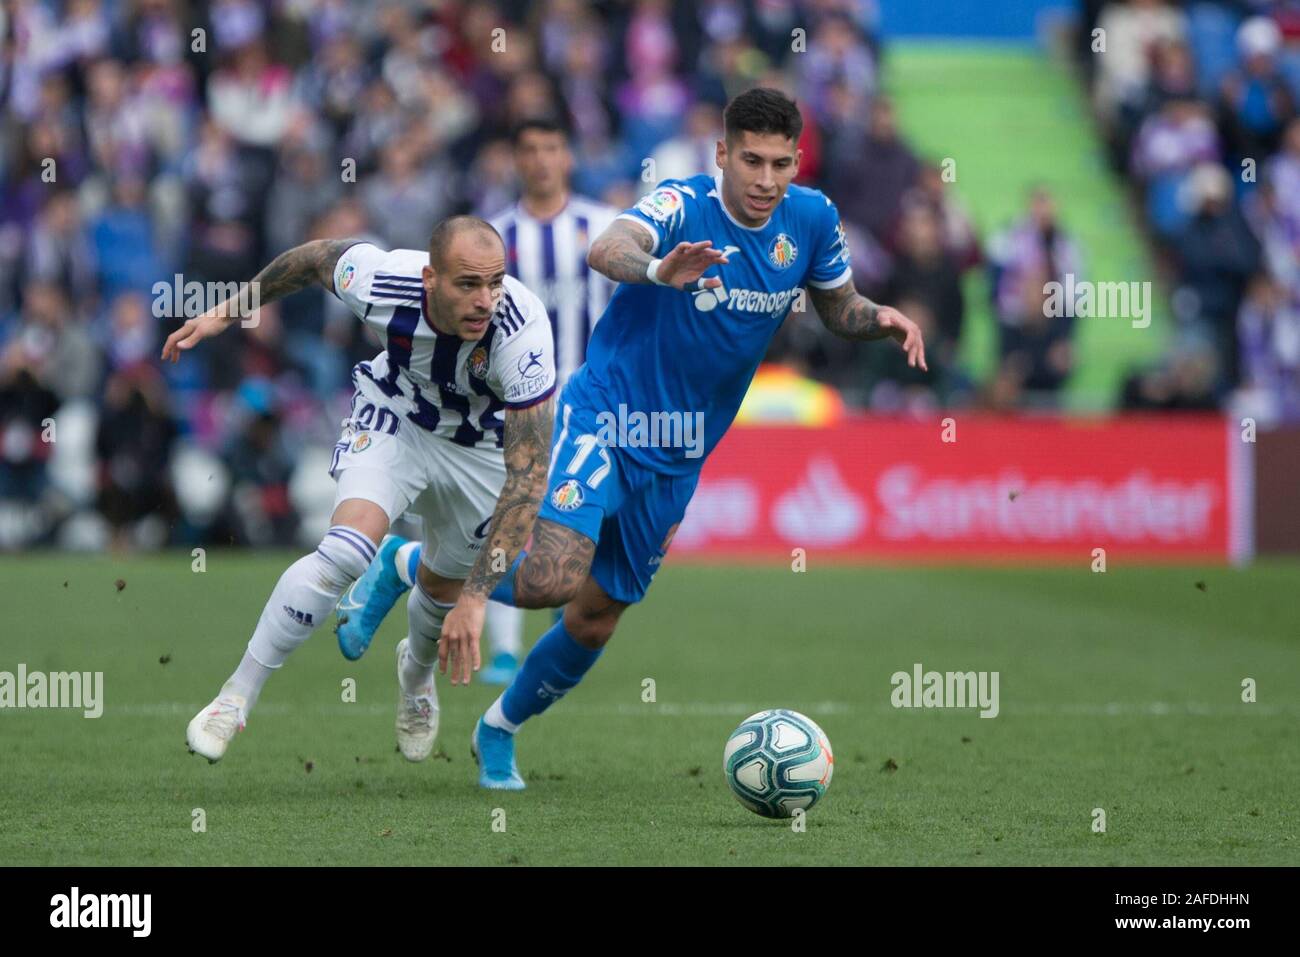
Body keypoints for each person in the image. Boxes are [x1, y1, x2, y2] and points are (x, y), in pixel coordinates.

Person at [460, 87, 926, 789]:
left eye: (779, 163)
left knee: (593, 620)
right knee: (551, 578)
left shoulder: (812, 218)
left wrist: (878, 316)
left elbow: (837, 305)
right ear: (721, 155)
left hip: (680, 453)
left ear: (797, 161)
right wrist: (655, 268)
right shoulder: (682, 204)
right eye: (750, 161)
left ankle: (497, 728)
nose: (766, 180)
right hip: (605, 417)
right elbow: (605, 245)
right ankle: (412, 565)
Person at [165, 216, 557, 764]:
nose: (485, 299)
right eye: (468, 284)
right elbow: (312, 258)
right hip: (398, 419)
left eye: (494, 282)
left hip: (481, 454)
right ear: (429, 279)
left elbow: (530, 475)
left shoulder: (522, 332)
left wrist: (475, 596)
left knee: (441, 591)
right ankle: (234, 696)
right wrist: (224, 312)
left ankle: (416, 678)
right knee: (343, 554)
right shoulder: (383, 282)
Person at [335, 118, 617, 685]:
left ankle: (405, 564)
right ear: (515, 159)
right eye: (529, 149)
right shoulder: (495, 238)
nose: (541, 160)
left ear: (570, 156)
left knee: (561, 558)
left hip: (581, 404)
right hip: (504, 408)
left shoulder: (602, 230)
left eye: (553, 147)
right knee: (515, 517)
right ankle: (503, 650)